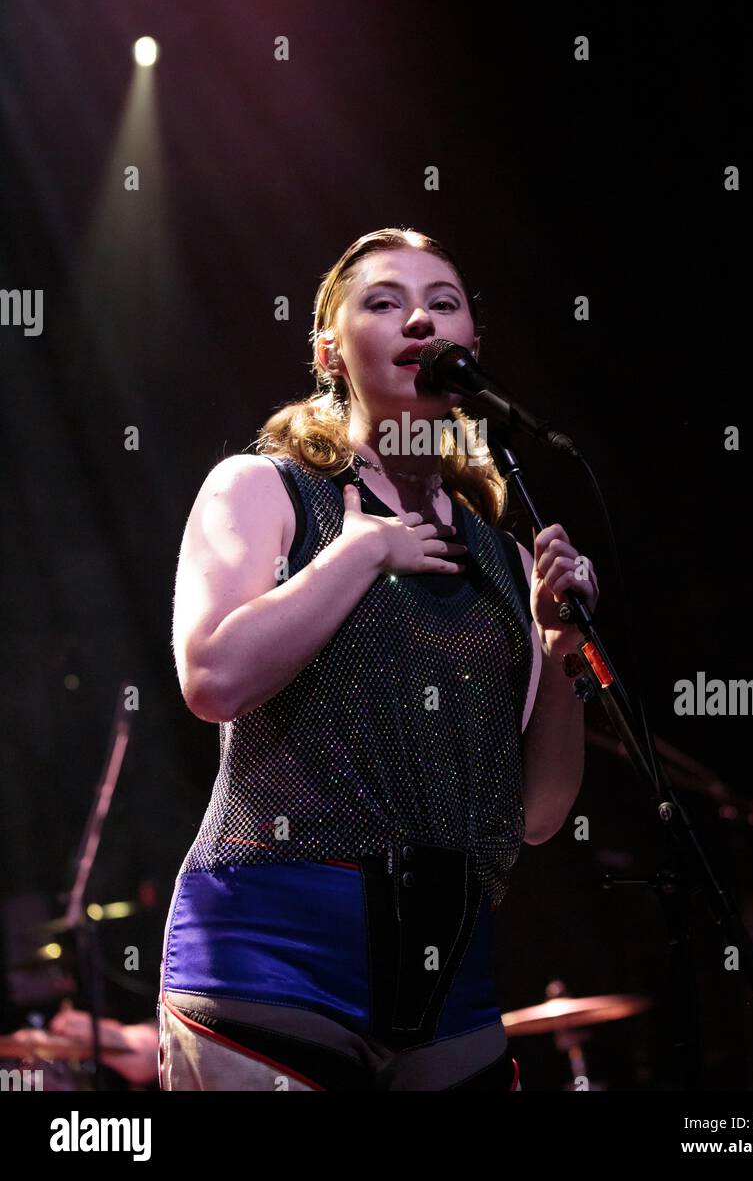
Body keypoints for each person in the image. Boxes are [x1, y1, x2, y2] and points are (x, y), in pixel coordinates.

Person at [158, 226, 598, 1090]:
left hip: (454, 968)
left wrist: (562, 650)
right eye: (385, 302)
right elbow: (211, 679)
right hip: (273, 952)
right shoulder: (262, 489)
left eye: (444, 304)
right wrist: (356, 555)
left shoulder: (501, 556)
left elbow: (540, 812)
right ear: (330, 349)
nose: (421, 321)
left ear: (472, 347)